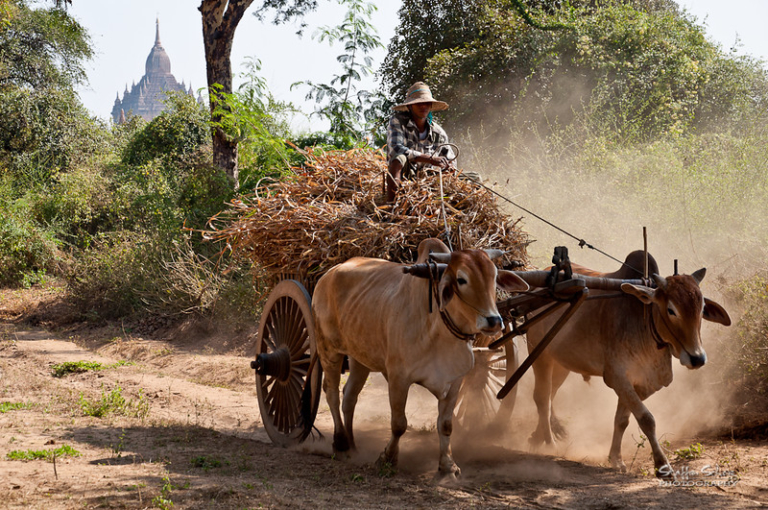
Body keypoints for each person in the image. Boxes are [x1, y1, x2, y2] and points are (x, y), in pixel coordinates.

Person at [386, 82, 456, 203]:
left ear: (430, 106)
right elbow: (395, 149)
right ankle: (391, 206)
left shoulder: (438, 133)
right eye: (418, 103)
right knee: (398, 159)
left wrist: (448, 166)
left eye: (426, 103)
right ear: (410, 107)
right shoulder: (398, 122)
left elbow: (450, 159)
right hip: (406, 176)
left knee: (473, 177)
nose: (423, 106)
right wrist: (429, 158)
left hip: (429, 180)